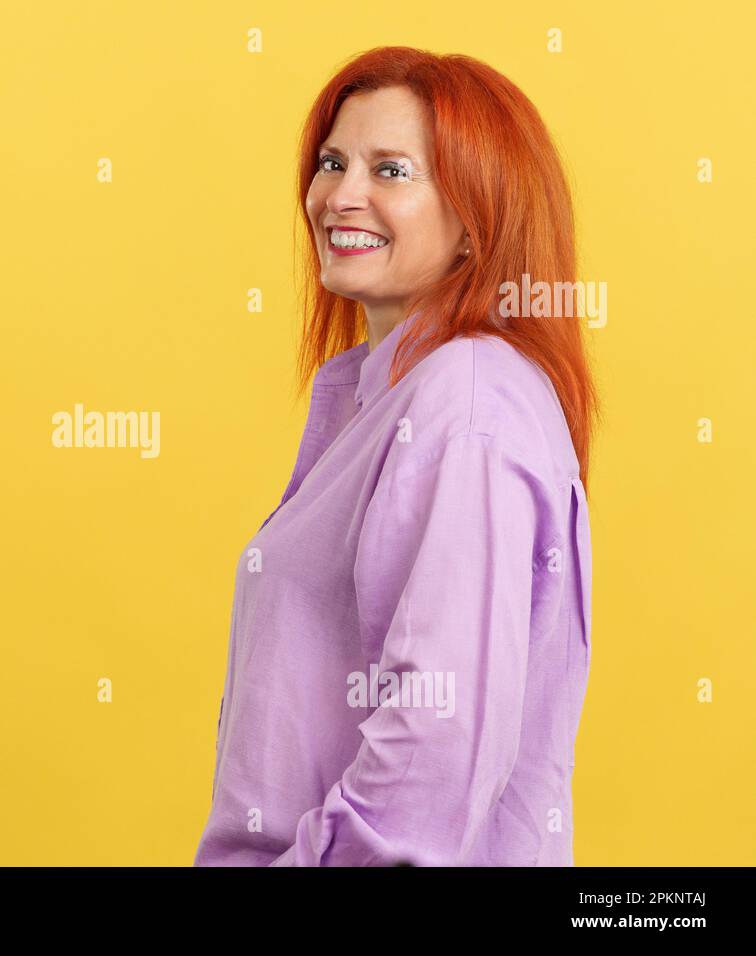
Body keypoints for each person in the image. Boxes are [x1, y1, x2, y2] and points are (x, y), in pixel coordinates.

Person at [194, 46, 600, 866]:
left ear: (476, 218)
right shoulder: (382, 398)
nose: (341, 195)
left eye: (392, 171)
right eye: (334, 161)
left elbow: (431, 755)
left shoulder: (467, 401)